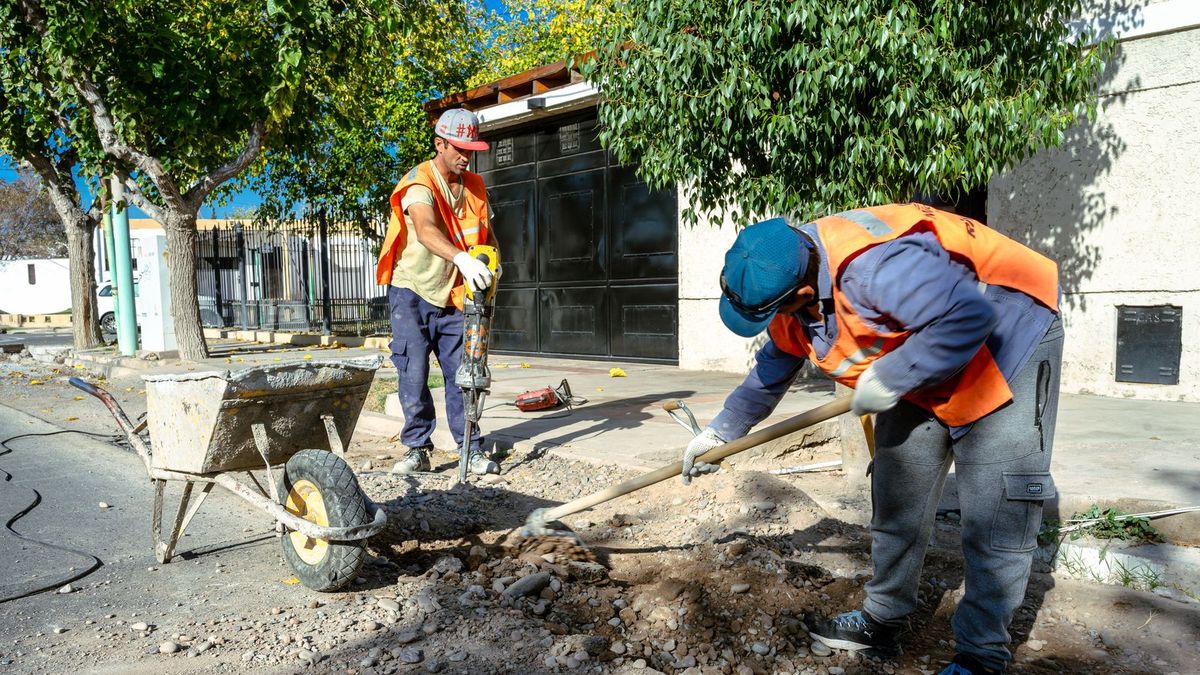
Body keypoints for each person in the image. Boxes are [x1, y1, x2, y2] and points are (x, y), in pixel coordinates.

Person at [682, 203, 1062, 675]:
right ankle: (883, 619)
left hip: (1006, 324)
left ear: (802, 292)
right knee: (898, 488)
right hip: (916, 338)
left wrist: (892, 375)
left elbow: (968, 316)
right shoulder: (785, 275)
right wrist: (721, 431)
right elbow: (773, 366)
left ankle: (982, 654)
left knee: (995, 510)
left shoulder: (877, 268)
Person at [375, 108, 500, 475]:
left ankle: (470, 449)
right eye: (459, 149)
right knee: (413, 373)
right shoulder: (419, 183)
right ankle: (417, 448)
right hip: (412, 291)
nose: (466, 156)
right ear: (439, 144)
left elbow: (488, 235)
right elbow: (427, 230)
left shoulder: (475, 185)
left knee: (464, 372)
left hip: (456, 295)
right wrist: (462, 258)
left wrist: (493, 266)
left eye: (471, 149)